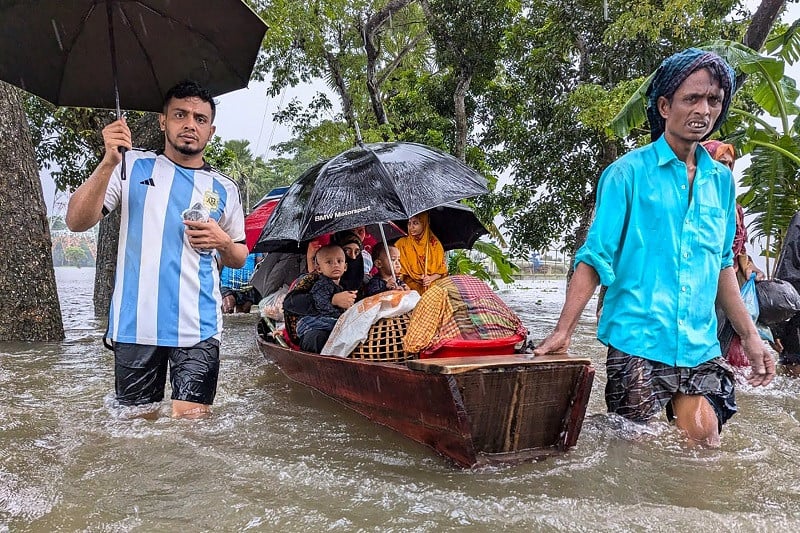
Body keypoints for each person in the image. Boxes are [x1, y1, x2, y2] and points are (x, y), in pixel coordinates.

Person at [533, 48, 774, 447]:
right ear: (665, 105)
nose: (703, 110)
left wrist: (751, 336)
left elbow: (721, 264)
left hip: (698, 343)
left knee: (703, 442)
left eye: (713, 100)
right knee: (635, 450)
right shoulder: (625, 174)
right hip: (637, 340)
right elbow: (595, 257)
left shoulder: (721, 182)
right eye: (691, 98)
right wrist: (564, 332)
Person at [65, 80, 248, 419]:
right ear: (163, 121)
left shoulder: (224, 188)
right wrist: (107, 162)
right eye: (180, 115)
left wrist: (221, 241)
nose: (190, 124)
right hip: (136, 323)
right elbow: (76, 221)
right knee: (139, 432)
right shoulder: (130, 166)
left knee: (191, 428)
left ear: (211, 130)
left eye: (200, 118)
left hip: (199, 326)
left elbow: (239, 255)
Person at [701, 140, 765, 369]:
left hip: (728, 281)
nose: (725, 170)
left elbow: (738, 247)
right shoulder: (687, 199)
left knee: (724, 343)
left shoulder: (733, 208)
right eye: (720, 163)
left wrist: (749, 267)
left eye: (729, 165)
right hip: (699, 284)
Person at [403, 275, 527, 356]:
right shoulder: (489, 299)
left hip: (453, 353)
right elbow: (518, 327)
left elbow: (415, 343)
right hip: (501, 350)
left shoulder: (434, 295)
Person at [295, 245, 356, 352]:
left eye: (339, 261)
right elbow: (321, 304)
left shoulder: (341, 287)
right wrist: (340, 315)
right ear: (318, 268)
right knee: (318, 338)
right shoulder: (321, 284)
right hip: (314, 325)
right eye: (329, 262)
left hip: (329, 323)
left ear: (345, 267)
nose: (335, 265)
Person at [395, 212, 448, 294]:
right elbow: (397, 271)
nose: (411, 227)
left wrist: (430, 278)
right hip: (409, 289)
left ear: (424, 224)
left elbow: (441, 271)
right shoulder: (401, 244)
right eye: (409, 223)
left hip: (431, 287)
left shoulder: (435, 245)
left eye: (415, 223)